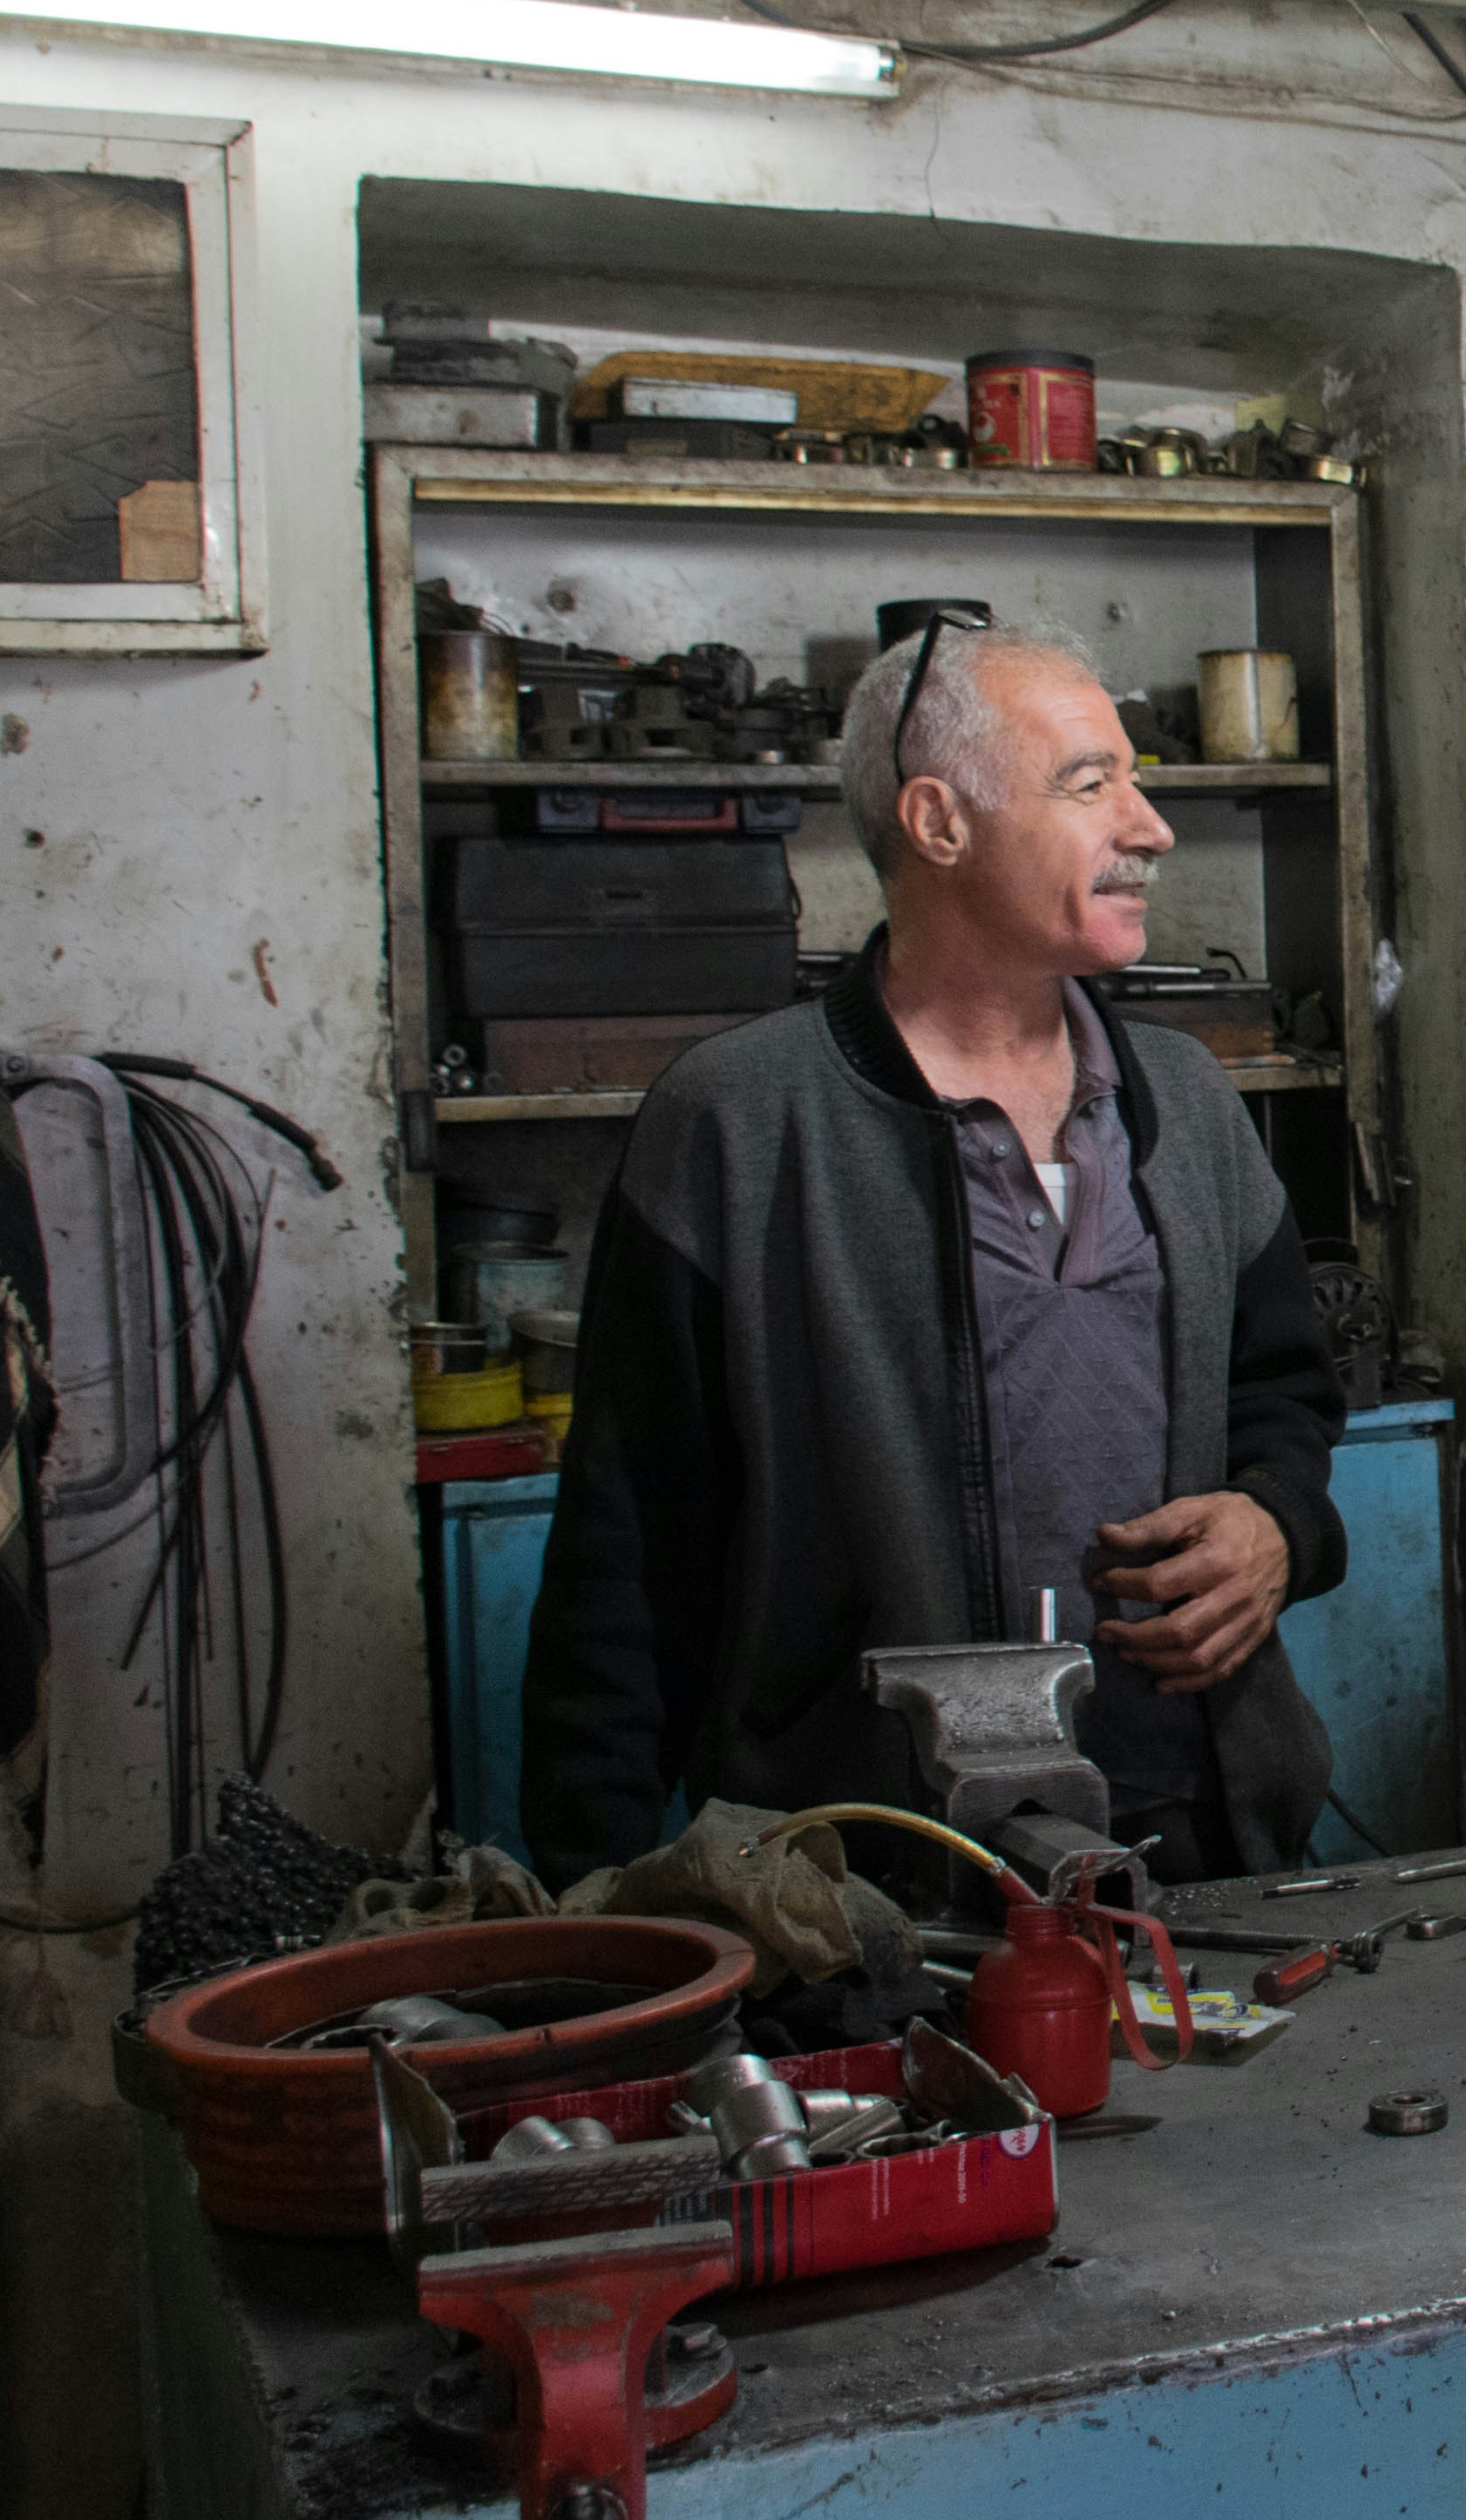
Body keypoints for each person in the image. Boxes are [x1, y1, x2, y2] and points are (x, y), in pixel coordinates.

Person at [525, 613, 1346, 1881]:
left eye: (1138, 780)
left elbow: (1284, 1395)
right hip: (861, 1879)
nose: (1151, 828)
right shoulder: (740, 1127)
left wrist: (1277, 1525)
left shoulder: (1186, 1103)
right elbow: (630, 1555)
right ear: (938, 821)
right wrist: (600, 1912)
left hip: (1201, 1842)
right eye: (1091, 784)